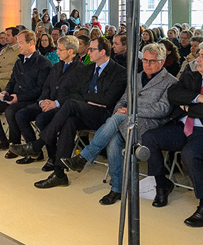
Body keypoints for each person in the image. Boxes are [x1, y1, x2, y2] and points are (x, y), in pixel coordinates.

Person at [140, 40, 203, 227]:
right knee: (149, 137)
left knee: (191, 153)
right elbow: (173, 94)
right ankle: (161, 185)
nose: (198, 59)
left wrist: (188, 107)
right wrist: (198, 98)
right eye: (199, 55)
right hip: (182, 127)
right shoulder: (191, 77)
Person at [63, 43, 177, 205]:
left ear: (162, 61)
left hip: (150, 126)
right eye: (144, 60)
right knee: (114, 138)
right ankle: (116, 188)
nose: (147, 64)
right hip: (126, 122)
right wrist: (119, 110)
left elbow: (162, 109)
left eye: (152, 61)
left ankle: (84, 157)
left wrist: (130, 111)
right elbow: (122, 100)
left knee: (116, 120)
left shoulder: (170, 82)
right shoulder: (137, 77)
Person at [22, 36, 127, 189]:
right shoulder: (88, 68)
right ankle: (59, 174)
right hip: (85, 110)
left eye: (92, 49)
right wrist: (89, 98)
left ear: (103, 52)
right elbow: (78, 92)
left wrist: (87, 98)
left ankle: (39, 143)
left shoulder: (119, 72)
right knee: (69, 121)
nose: (88, 52)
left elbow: (108, 100)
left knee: (70, 105)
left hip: (104, 116)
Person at [0, 30, 52, 154]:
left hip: (30, 99)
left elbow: (41, 89)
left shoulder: (43, 63)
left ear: (31, 43)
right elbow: (12, 81)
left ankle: (15, 143)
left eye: (21, 43)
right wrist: (6, 91)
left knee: (11, 110)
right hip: (14, 96)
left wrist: (18, 98)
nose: (18, 46)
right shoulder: (19, 61)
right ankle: (2, 139)